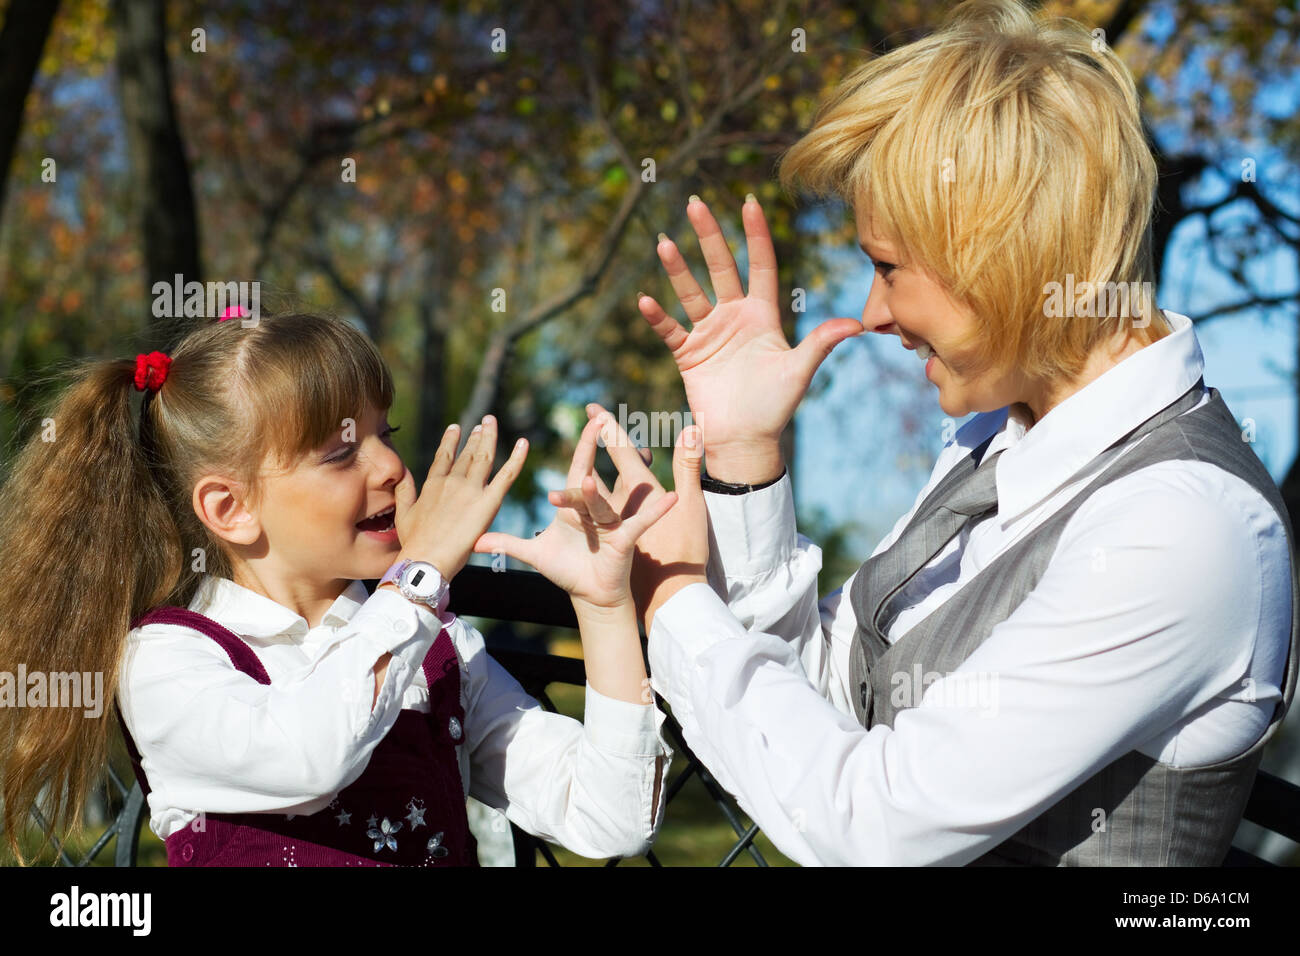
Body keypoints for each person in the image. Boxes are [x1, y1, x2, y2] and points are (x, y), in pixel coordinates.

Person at [613, 0, 1299, 865]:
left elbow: (876, 824)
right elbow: (822, 705)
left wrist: (673, 597)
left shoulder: (1183, 526)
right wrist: (747, 463)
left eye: (889, 267)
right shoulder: (996, 441)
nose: (872, 313)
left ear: (1004, 250)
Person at [0, 310, 675, 866]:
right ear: (231, 508)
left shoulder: (439, 646)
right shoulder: (169, 658)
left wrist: (603, 604)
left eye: (387, 434)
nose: (389, 466)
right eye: (341, 452)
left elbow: (607, 818)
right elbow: (311, 758)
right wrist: (420, 578)